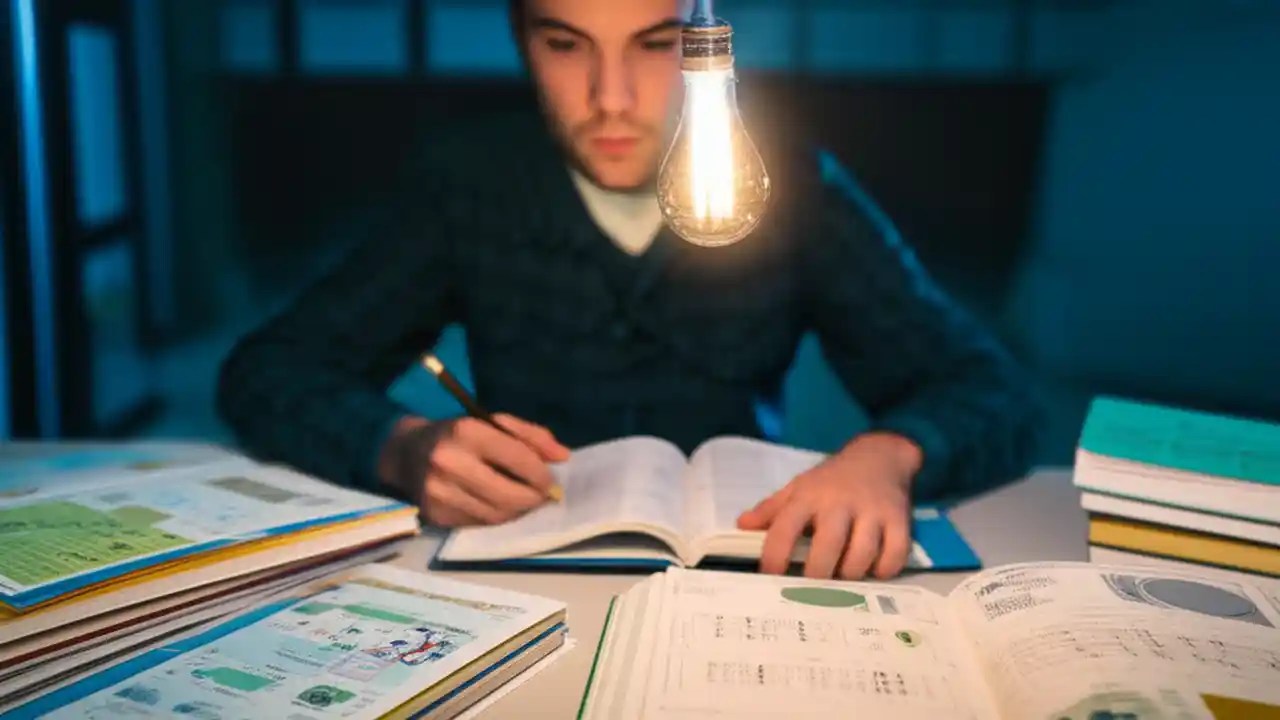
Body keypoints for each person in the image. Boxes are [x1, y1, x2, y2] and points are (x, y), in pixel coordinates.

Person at [216, 0, 1042, 581]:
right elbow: (267, 371)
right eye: (566, 44)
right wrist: (399, 446)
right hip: (524, 569)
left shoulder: (790, 187)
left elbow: (992, 388)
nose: (610, 99)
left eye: (655, 44)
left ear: (711, 46)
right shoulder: (465, 186)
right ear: (519, 37)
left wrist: (888, 456)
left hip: (739, 566)